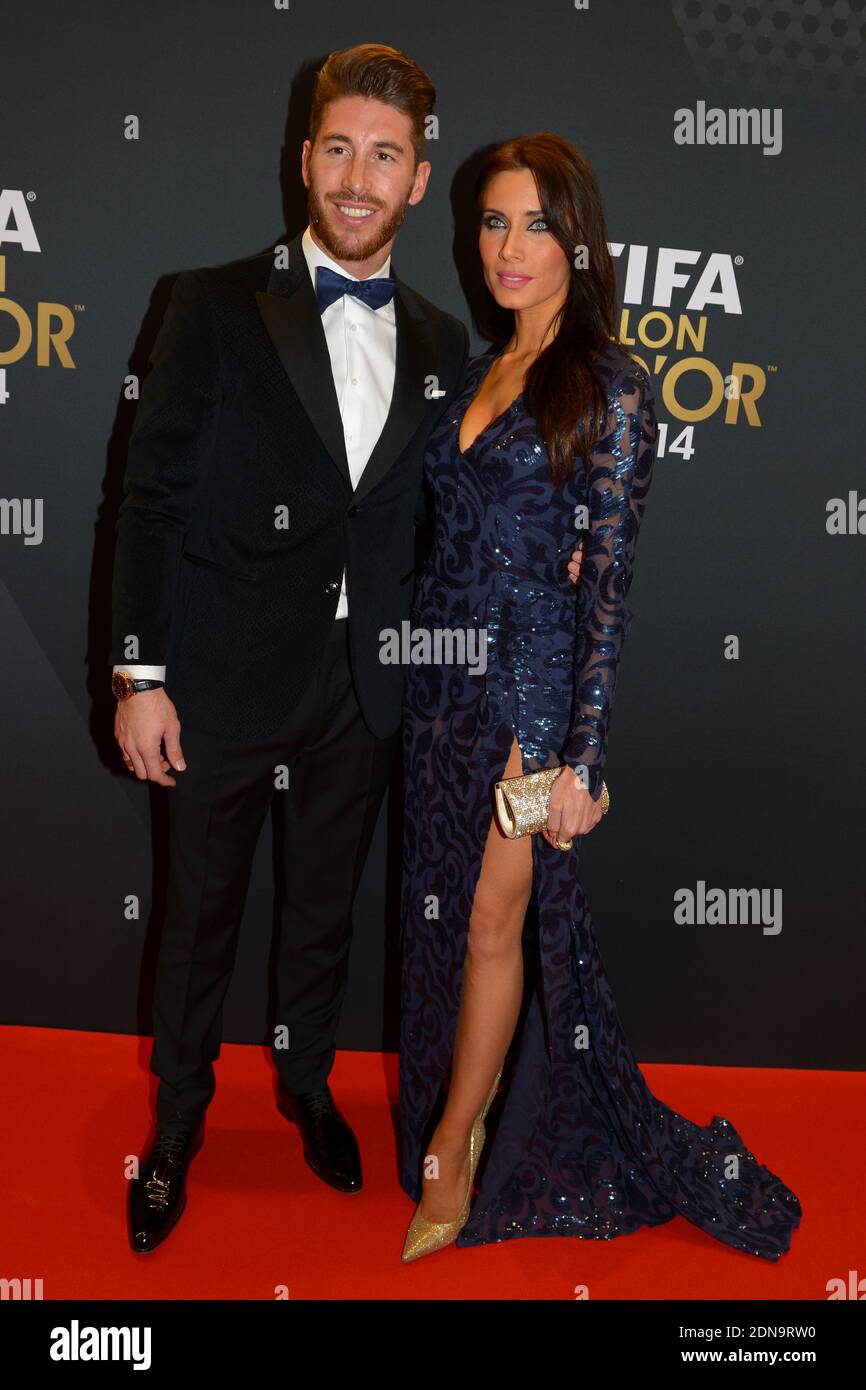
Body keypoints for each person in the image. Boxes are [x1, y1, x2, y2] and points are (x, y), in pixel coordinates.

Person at [110, 40, 593, 1254]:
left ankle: (306, 1088)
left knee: (322, 915)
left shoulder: (443, 342)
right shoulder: (210, 303)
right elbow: (149, 500)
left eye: (385, 155)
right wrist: (139, 673)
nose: (358, 176)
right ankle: (172, 1129)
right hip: (219, 679)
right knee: (197, 918)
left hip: (373, 694)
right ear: (304, 157)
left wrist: (557, 556)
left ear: (418, 179)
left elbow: (460, 511)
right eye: (339, 149)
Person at [398, 132, 801, 1262]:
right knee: (440, 919)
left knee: (490, 922)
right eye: (489, 221)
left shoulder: (611, 389)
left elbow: (608, 590)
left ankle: (454, 1147)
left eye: (532, 223)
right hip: (437, 696)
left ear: (577, 240)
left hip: (525, 701)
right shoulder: (474, 371)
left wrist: (580, 759)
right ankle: (455, 1110)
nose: (507, 247)